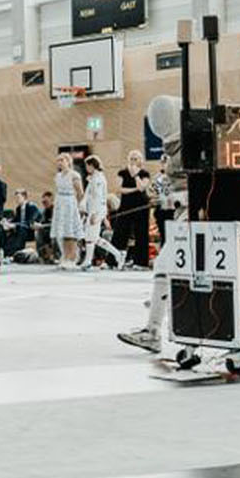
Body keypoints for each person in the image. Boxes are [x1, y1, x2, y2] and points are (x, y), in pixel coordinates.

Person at [119, 98, 184, 353]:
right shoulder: (176, 146)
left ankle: (153, 331)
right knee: (170, 270)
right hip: (183, 219)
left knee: (165, 266)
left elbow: (204, 187)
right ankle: (158, 320)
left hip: (195, 219)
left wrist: (174, 198)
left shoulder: (190, 147)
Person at [82, 155, 125, 269]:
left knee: (91, 238)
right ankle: (118, 254)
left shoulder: (98, 179)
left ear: (91, 165)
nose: (86, 168)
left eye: (87, 166)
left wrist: (95, 214)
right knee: (94, 238)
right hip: (93, 210)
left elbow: (99, 198)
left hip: (96, 210)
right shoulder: (93, 178)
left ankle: (88, 261)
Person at [114, 150, 152, 267]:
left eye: (136, 158)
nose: (133, 161)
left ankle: (140, 262)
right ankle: (113, 260)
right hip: (126, 205)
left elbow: (142, 187)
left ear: (141, 160)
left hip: (141, 206)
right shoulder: (122, 173)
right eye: (131, 158)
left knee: (141, 233)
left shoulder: (144, 173)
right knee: (120, 232)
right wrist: (133, 190)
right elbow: (119, 189)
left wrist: (136, 175)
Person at [50, 153, 85, 269]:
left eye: (62, 160)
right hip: (60, 203)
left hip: (70, 202)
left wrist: (81, 207)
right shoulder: (58, 176)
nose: (60, 162)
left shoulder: (74, 175)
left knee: (70, 232)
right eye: (58, 160)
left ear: (68, 161)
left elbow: (80, 192)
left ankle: (73, 257)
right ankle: (64, 256)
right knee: (63, 232)